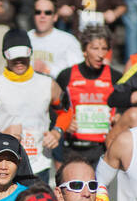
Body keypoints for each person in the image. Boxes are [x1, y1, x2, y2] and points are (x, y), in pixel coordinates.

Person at [0, 29, 61, 182]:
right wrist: (2, 135)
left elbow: (66, 110)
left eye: (23, 57)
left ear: (30, 53)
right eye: (14, 57)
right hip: (5, 165)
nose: (19, 61)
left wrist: (57, 132)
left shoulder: (48, 84)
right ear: (5, 55)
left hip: (39, 166)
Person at [51, 25, 119, 168]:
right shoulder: (66, 76)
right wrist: (65, 124)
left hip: (102, 149)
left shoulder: (115, 77)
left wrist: (118, 118)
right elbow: (52, 108)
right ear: (84, 50)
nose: (101, 54)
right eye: (95, 48)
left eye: (104, 49)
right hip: (73, 147)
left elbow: (125, 108)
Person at [28, 0, 83, 78]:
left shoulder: (68, 41)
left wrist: (47, 69)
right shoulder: (24, 39)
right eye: (38, 12)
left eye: (48, 12)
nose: (42, 16)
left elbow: (78, 75)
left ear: (55, 17)